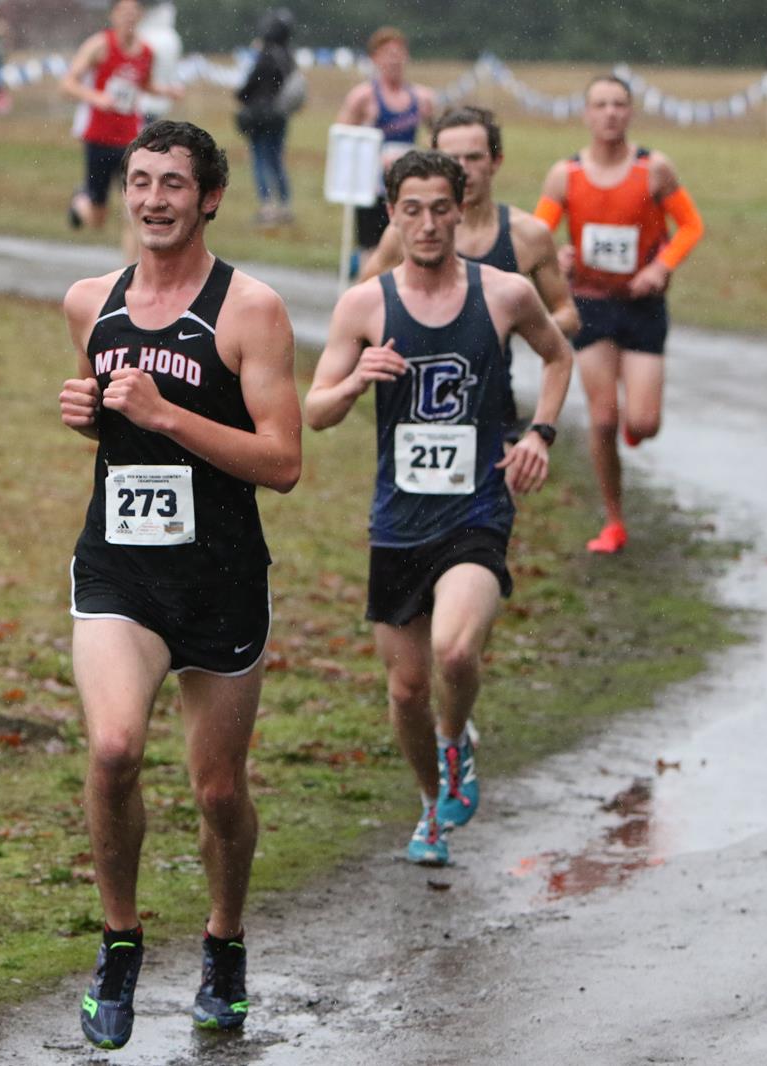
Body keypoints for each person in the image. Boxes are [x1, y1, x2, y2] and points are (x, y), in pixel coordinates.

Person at [58, 120, 301, 1049]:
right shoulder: (91, 302)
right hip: (119, 568)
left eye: (174, 184)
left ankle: (224, 941)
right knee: (115, 748)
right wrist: (88, 415)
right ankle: (120, 942)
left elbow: (282, 463)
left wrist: (169, 413)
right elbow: (116, 425)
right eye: (140, 180)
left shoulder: (252, 311)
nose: (154, 199)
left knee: (217, 792)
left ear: (211, 199)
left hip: (223, 579)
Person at [305, 150, 573, 866]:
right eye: (411, 209)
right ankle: (431, 804)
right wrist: (358, 377)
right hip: (397, 520)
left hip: (477, 509)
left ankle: (456, 743)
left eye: (440, 208)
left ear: (463, 209)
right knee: (405, 689)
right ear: (391, 215)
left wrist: (539, 434)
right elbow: (315, 411)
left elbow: (558, 356)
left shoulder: (505, 293)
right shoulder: (364, 305)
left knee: (456, 650)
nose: (426, 223)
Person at [535, 75, 705, 554]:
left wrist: (661, 265)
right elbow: (537, 235)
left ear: (630, 113)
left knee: (643, 423)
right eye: (600, 105)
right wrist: (557, 258)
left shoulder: (653, 169)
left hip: (642, 306)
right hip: (589, 305)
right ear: (586, 114)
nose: (610, 113)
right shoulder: (565, 176)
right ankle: (613, 520)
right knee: (603, 418)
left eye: (618, 105)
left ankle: (637, 427)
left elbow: (690, 226)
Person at [361, 106, 579, 442]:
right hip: (413, 407)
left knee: (500, 489)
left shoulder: (528, 236)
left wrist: (521, 322)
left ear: (496, 161)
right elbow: (359, 303)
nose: (463, 169)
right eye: (452, 158)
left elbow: (567, 315)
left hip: (492, 404)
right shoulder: (405, 235)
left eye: (474, 157)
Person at [60, 0, 179, 260]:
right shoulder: (99, 46)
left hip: (129, 141)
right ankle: (81, 201)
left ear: (141, 17)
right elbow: (67, 83)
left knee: (133, 210)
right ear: (113, 16)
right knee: (96, 218)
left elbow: (145, 85)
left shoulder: (147, 52)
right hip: (98, 138)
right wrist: (96, 97)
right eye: (124, 14)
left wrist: (165, 91)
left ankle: (131, 275)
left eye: (134, 14)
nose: (129, 19)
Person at [335, 27, 438, 268]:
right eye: (386, 53)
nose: (393, 59)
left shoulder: (423, 98)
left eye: (398, 53)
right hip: (372, 188)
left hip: (407, 185)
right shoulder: (363, 96)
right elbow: (342, 139)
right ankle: (364, 295)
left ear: (407, 57)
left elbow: (438, 139)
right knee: (371, 249)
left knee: (406, 243)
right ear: (374, 58)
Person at [235, 7, 297, 227]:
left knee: (260, 159)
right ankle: (285, 205)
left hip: (260, 116)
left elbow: (247, 87)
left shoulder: (266, 55)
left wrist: (241, 95)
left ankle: (267, 207)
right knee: (276, 159)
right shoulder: (288, 56)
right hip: (279, 115)